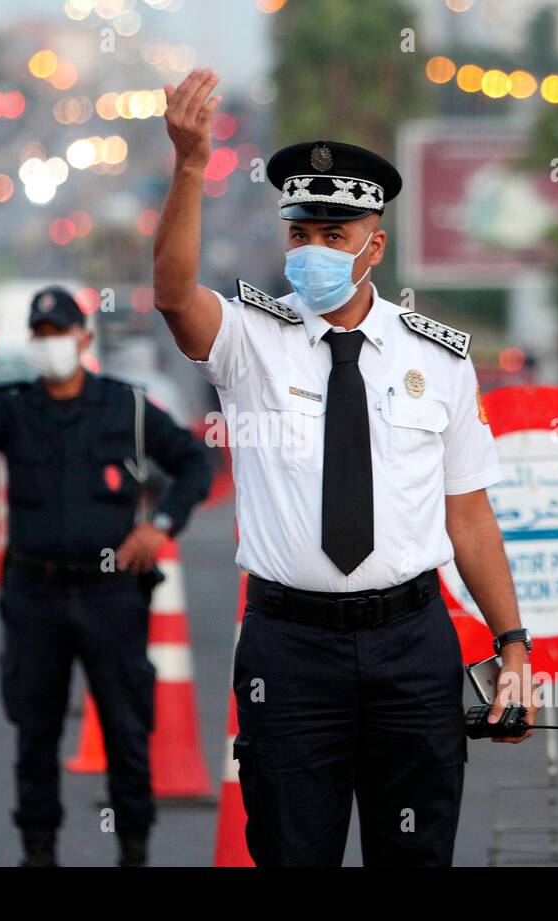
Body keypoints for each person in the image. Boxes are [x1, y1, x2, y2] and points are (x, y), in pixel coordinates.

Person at [152, 68, 537, 867]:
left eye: (335, 234)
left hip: (412, 646)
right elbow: (171, 293)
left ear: (374, 243)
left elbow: (468, 514)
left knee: (416, 856)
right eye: (301, 233)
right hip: (290, 654)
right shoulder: (249, 338)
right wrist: (190, 167)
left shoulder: (442, 358)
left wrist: (514, 645)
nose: (314, 250)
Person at [0, 287, 213, 867]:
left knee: (125, 731)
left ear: (84, 339)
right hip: (34, 594)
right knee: (34, 733)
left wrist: (161, 524)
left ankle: (133, 850)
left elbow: (195, 462)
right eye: (38, 335)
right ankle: (39, 852)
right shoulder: (16, 409)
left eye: (58, 332)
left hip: (110, 593)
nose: (49, 344)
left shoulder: (127, 409)